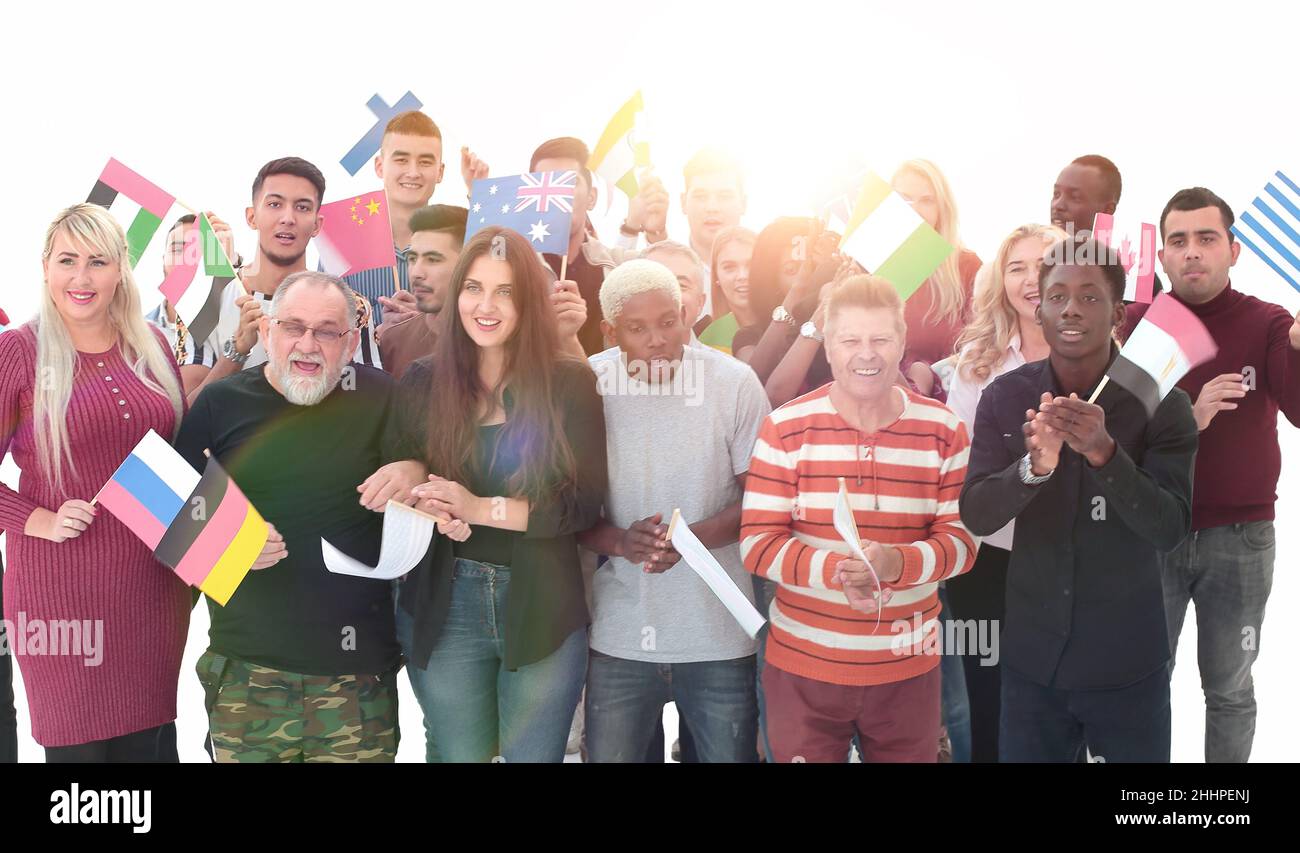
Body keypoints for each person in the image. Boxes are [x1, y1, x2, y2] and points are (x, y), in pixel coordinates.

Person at [960, 235, 1197, 763]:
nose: (1071, 307)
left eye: (1090, 296)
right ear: (1038, 310)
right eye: (1058, 295)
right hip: (1031, 666)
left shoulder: (1164, 404)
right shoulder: (1005, 395)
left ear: (1117, 313)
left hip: (1127, 666)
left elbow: (1170, 526)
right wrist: (1033, 469)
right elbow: (975, 512)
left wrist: (1105, 453)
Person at [387, 225, 607, 762]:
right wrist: (428, 501)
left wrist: (480, 508)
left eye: (505, 291)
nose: (486, 306)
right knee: (458, 756)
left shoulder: (569, 383)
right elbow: (405, 482)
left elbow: (581, 505)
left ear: (529, 300)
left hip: (542, 606)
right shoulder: (421, 380)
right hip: (445, 600)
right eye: (474, 288)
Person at [176, 271, 415, 762]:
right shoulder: (220, 404)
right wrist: (226, 539)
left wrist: (416, 469)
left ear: (350, 344)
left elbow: (430, 490)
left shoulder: (385, 398)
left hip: (358, 677)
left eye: (327, 331)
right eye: (293, 327)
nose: (308, 345)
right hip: (246, 675)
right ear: (267, 333)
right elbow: (167, 517)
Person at [741, 274, 977, 763]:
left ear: (902, 343)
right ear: (828, 346)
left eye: (880, 340)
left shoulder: (945, 431)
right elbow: (757, 544)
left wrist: (896, 563)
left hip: (908, 672)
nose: (865, 354)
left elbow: (962, 543)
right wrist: (835, 572)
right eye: (850, 340)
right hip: (802, 671)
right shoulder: (784, 428)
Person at [0, 204, 189, 761]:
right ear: (44, 267)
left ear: (120, 270)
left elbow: (173, 463)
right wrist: (40, 519)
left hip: (154, 592)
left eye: (97, 262)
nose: (81, 279)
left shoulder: (152, 345)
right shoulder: (18, 352)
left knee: (148, 754)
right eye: (67, 261)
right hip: (61, 602)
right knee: (82, 774)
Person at [578, 259, 769, 762]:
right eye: (637, 329)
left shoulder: (734, 382)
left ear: (685, 313)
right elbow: (565, 508)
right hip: (621, 633)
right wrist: (620, 541)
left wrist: (688, 540)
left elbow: (766, 498)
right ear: (609, 330)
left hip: (718, 635)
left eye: (668, 321)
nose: (658, 339)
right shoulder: (587, 385)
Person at [1156, 187, 1300, 762]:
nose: (1192, 251)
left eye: (1207, 238)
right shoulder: (1143, 324)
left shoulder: (1270, 322)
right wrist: (1189, 417)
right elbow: (1120, 430)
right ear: (1163, 256)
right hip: (1154, 532)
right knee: (1141, 680)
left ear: (1234, 250)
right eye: (1179, 241)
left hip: (1241, 539)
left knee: (1230, 689)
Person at [944, 223, 1064, 762]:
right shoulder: (977, 363)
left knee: (1062, 705)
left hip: (1069, 563)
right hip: (988, 561)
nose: (1030, 278)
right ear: (1000, 280)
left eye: (1043, 264)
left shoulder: (1100, 363)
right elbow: (961, 467)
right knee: (987, 702)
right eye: (1016, 267)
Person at [184, 157, 382, 404]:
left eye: (302, 207)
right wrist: (236, 352)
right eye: (275, 204)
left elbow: (368, 397)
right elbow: (188, 411)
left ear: (317, 224)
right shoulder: (207, 299)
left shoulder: (352, 306)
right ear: (251, 216)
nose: (288, 218)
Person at [890, 159, 982, 397]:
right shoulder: (866, 265)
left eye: (927, 200)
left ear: (942, 209)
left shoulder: (966, 266)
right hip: (876, 397)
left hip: (946, 398)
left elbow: (983, 343)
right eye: (904, 199)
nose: (914, 209)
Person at [1047, 153, 1161, 339]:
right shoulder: (1032, 263)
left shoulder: (1138, 279)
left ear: (1108, 210)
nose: (1058, 205)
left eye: (1074, 197)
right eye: (1056, 194)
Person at [378, 204, 467, 379]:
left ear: (468, 262)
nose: (416, 272)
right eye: (412, 258)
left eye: (432, 259)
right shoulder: (393, 342)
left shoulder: (495, 341)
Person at [144, 212, 234, 382]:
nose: (186, 258)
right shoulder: (139, 330)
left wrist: (227, 264)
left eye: (195, 250)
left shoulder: (229, 321)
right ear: (164, 260)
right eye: (177, 249)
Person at [698, 226, 758, 354]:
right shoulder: (707, 342)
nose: (742, 276)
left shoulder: (790, 326)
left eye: (751, 265)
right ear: (716, 276)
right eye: (729, 267)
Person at [638, 241, 709, 345]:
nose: (666, 297)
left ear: (700, 303)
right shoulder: (607, 361)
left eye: (680, 285)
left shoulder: (722, 362)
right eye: (653, 283)